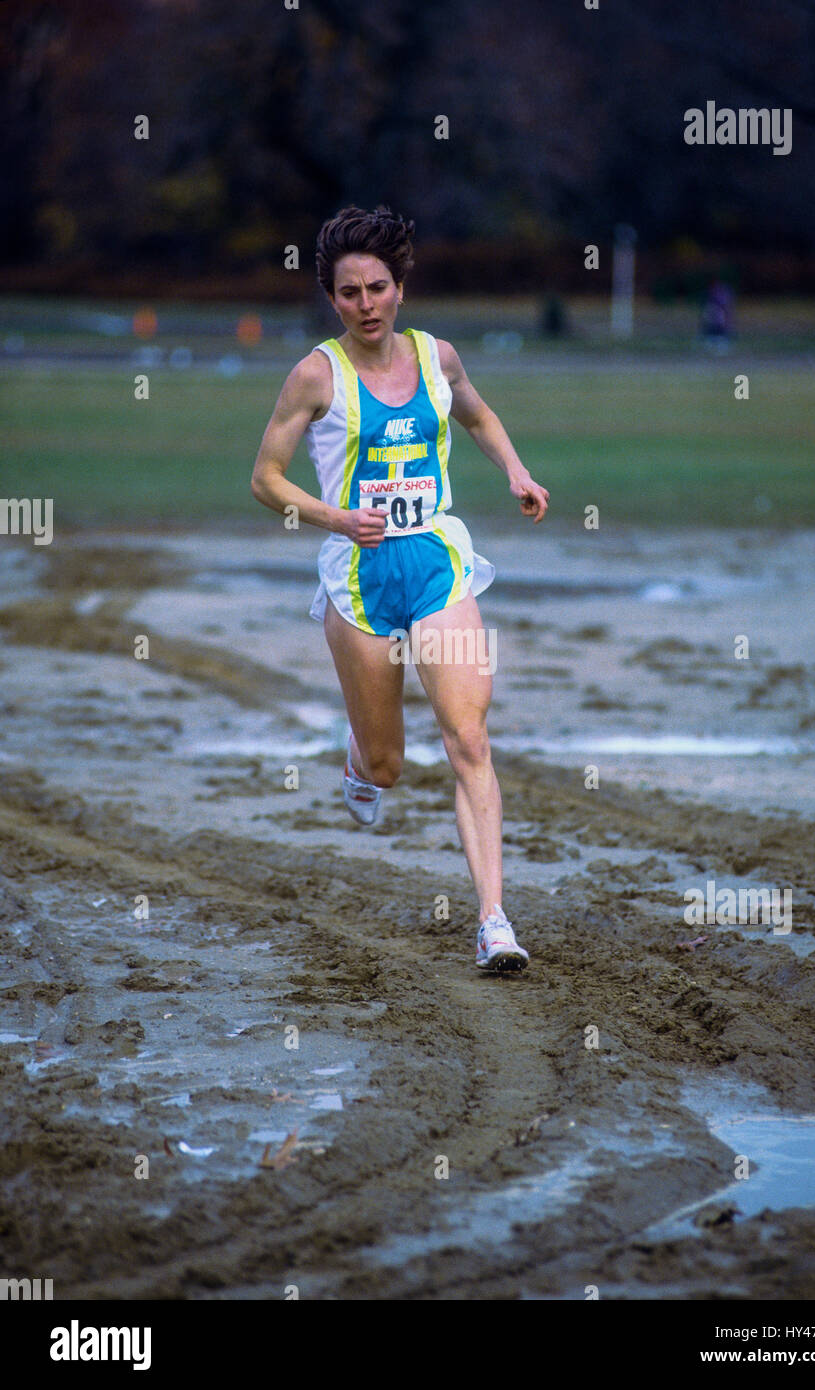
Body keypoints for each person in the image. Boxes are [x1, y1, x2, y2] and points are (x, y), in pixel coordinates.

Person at [251, 205, 549, 972]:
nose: (366, 304)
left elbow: (477, 416)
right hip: (357, 578)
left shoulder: (437, 357)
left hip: (434, 563)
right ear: (332, 298)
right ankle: (358, 758)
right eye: (349, 292)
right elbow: (265, 479)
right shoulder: (316, 374)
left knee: (468, 737)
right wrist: (333, 516)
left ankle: (492, 922)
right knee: (388, 765)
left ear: (400, 287)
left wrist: (515, 470)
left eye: (377, 287)